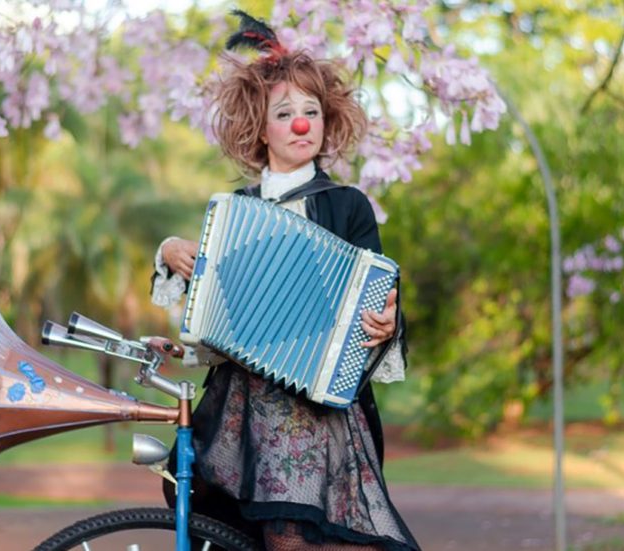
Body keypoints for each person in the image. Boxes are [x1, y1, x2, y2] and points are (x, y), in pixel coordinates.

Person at [150, 11, 420, 551]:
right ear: (260, 128)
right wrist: (172, 253)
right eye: (286, 112)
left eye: (312, 111)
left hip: (318, 416)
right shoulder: (232, 213)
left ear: (326, 122)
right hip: (239, 410)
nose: (302, 124)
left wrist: (386, 321)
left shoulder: (347, 206)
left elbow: (379, 298)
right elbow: (211, 327)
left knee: (300, 538)